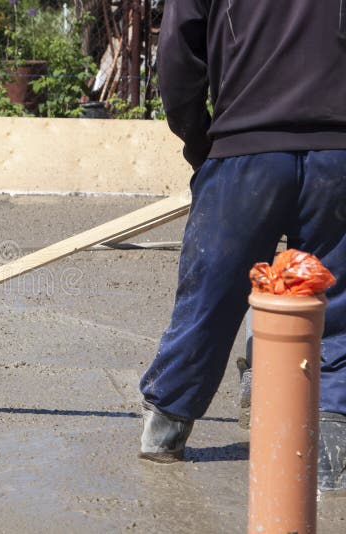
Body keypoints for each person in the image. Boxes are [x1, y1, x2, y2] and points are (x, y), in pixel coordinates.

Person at [138, 0, 346, 493]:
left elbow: (176, 58)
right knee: (335, 305)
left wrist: (201, 143)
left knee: (209, 294)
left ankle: (166, 426)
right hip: (338, 157)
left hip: (245, 151)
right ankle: (332, 449)